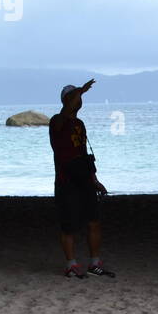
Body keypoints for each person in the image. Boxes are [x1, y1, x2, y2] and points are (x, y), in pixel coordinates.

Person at [50, 80, 114, 279]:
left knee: (94, 222)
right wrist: (81, 90)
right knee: (68, 226)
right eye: (74, 97)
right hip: (66, 179)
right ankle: (71, 264)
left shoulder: (80, 124)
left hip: (84, 178)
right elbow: (67, 108)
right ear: (66, 101)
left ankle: (95, 263)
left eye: (79, 97)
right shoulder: (57, 121)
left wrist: (95, 179)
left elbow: (85, 154)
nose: (79, 100)